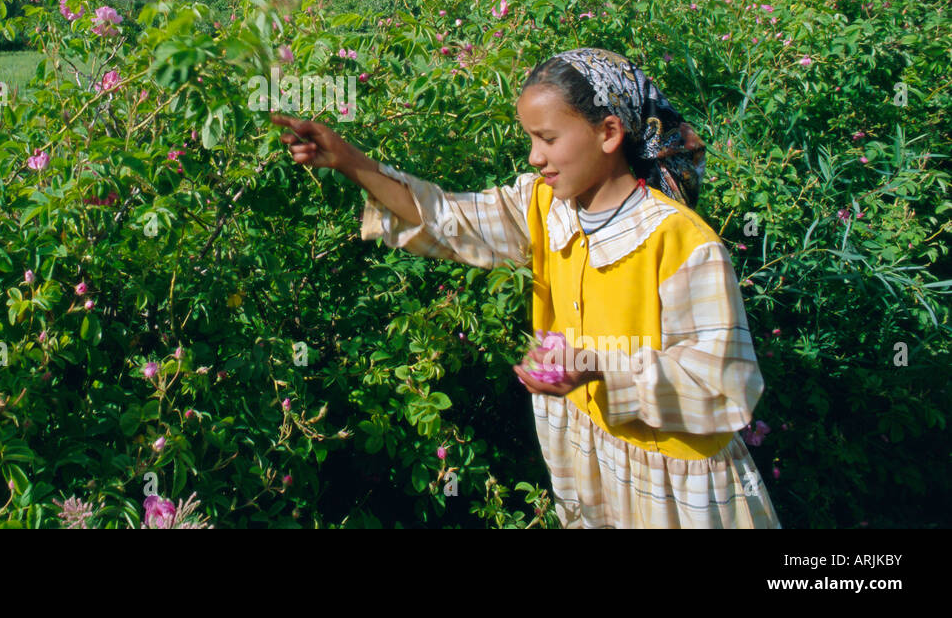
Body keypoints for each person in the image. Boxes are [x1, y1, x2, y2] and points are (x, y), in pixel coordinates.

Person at [271, 46, 780, 529]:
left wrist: (599, 367)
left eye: (548, 139)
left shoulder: (680, 241)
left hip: (671, 486)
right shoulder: (545, 207)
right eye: (531, 140)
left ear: (608, 132)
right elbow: (449, 220)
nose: (536, 157)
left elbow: (723, 383)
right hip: (589, 459)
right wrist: (348, 159)